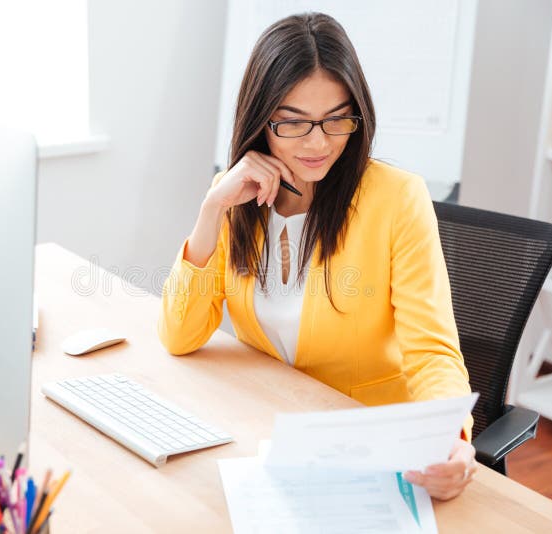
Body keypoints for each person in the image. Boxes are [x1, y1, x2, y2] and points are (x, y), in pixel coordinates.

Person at [157, 12, 476, 500]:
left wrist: (448, 441)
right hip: (266, 437)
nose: (318, 142)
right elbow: (181, 336)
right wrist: (212, 209)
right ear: (260, 118)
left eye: (336, 119)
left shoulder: (397, 199)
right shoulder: (238, 196)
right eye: (293, 123)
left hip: (369, 451)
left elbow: (432, 353)